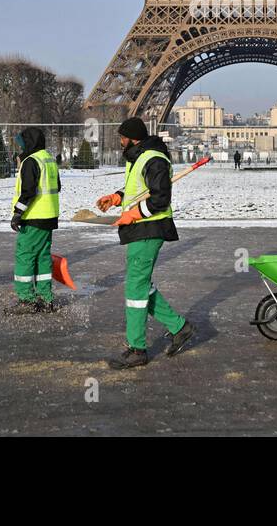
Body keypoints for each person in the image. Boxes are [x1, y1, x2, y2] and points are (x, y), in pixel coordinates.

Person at [94, 117, 195, 369]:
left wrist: (134, 214)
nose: (120, 142)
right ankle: (179, 328)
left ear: (132, 138)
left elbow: (160, 198)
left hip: (148, 228)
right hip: (141, 229)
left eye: (122, 137)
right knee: (141, 286)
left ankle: (137, 349)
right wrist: (116, 198)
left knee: (135, 290)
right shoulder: (141, 158)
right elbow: (138, 191)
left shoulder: (153, 159)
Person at [7, 128, 62, 314]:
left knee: (25, 256)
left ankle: (26, 300)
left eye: (21, 143)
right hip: (49, 217)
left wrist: (17, 214)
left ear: (29, 143)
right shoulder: (49, 159)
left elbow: (28, 191)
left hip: (34, 217)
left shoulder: (31, 161)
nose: (20, 147)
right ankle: (46, 298)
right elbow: (57, 187)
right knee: (42, 258)